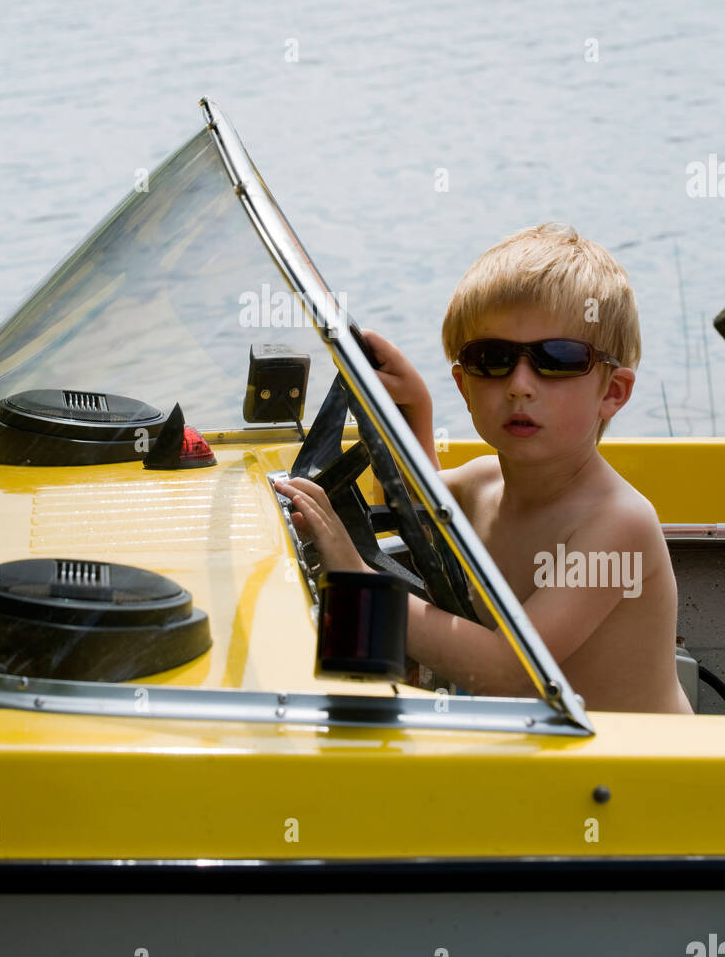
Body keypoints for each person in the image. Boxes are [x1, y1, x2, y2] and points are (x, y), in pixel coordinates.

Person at [274, 222, 693, 714]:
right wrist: (416, 410)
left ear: (613, 392)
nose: (519, 384)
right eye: (491, 359)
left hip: (643, 776)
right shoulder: (480, 483)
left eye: (556, 359)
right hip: (551, 758)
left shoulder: (618, 524)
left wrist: (356, 578)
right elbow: (412, 508)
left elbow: (512, 672)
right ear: (464, 384)